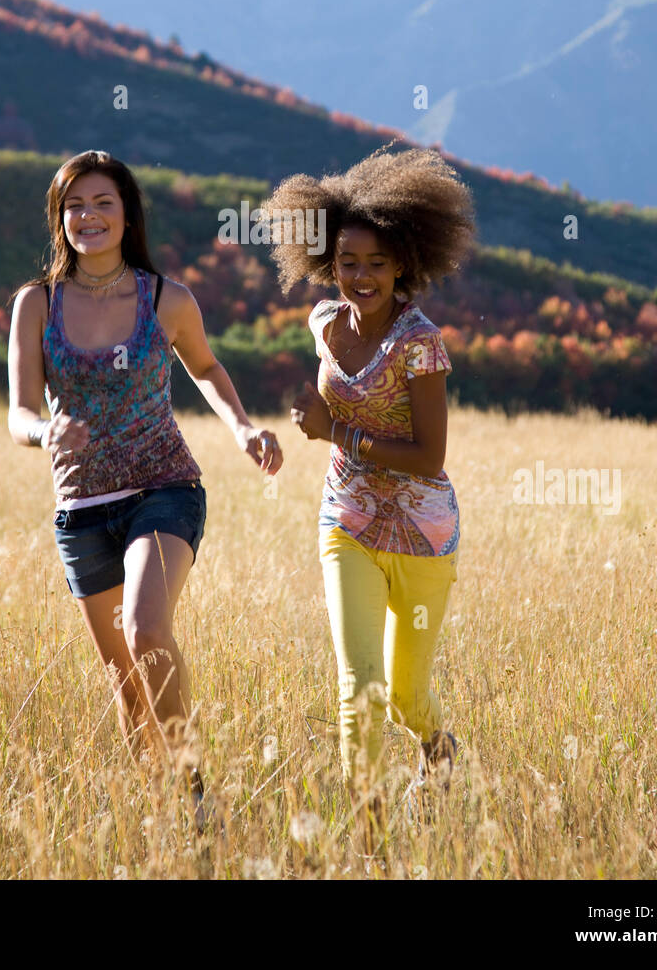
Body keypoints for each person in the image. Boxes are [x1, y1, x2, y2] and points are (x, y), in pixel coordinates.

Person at [7, 149, 282, 821]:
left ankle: (193, 790)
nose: (88, 216)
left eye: (103, 202)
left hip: (164, 489)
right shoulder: (34, 304)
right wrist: (46, 433)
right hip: (80, 509)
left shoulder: (166, 298)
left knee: (145, 628)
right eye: (74, 205)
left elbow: (207, 369)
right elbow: (17, 413)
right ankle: (164, 817)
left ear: (127, 215)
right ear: (59, 218)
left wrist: (242, 427)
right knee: (126, 685)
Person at [267, 145, 475, 845]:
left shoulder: (420, 345)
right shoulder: (323, 324)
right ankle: (371, 834)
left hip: (421, 534)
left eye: (377, 264)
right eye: (348, 262)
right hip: (346, 523)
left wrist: (335, 434)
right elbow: (322, 397)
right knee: (359, 690)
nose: (361, 277)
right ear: (328, 264)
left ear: (403, 267)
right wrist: (308, 415)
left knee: (406, 695)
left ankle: (437, 750)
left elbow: (429, 456)